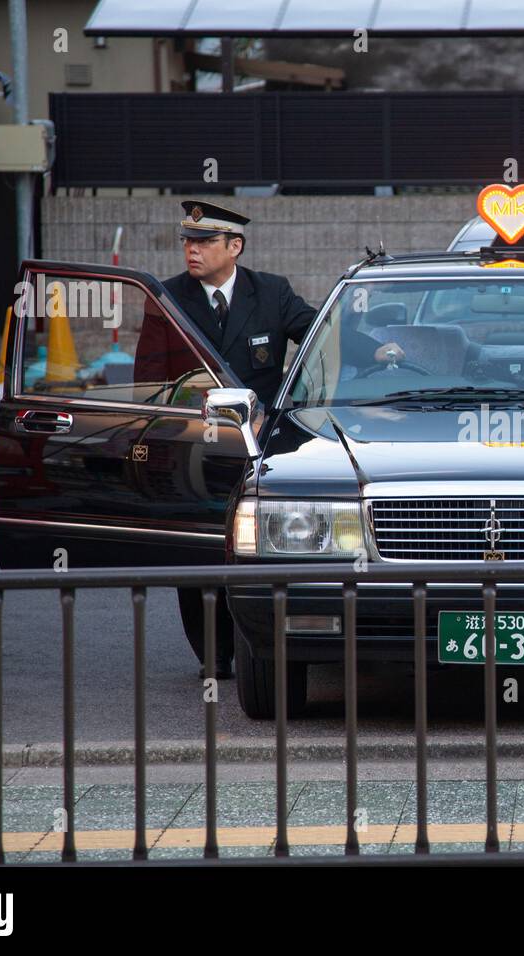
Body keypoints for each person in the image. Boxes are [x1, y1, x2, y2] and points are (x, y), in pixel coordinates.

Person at [154, 200, 403, 677]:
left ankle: (254, 645)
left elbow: (318, 334)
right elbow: (153, 378)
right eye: (187, 241)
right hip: (197, 446)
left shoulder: (270, 293)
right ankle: (214, 657)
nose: (192, 250)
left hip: (261, 448)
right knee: (198, 550)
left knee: (255, 551)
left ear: (234, 247)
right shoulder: (167, 298)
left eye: (204, 242)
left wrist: (378, 349)